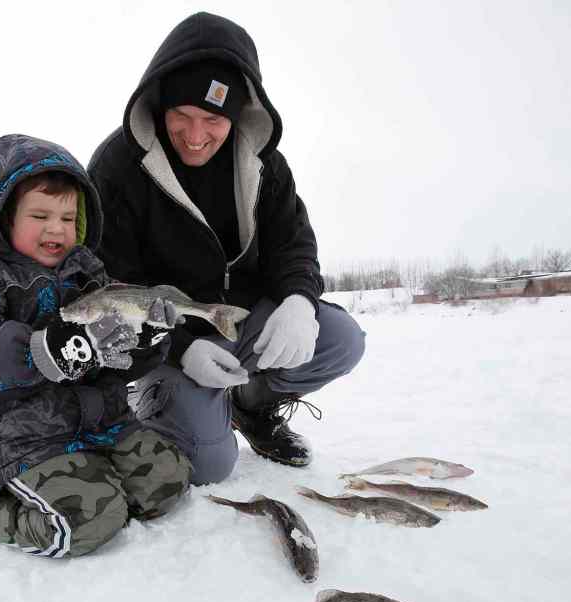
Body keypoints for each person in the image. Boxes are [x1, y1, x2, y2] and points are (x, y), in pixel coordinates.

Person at [88, 12, 366, 484]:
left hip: (242, 324)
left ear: (236, 114)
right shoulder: (117, 167)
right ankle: (155, 403)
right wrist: (181, 348)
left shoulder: (265, 165)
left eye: (213, 119)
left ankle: (252, 409)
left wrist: (298, 300)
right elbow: (112, 289)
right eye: (182, 116)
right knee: (209, 466)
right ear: (159, 106)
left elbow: (292, 243)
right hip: (168, 340)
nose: (196, 137)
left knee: (341, 339)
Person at [0, 134, 191, 558]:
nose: (56, 228)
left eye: (69, 219)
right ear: (4, 218)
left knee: (168, 480)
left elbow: (120, 362)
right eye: (40, 215)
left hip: (103, 424)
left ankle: (94, 474)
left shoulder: (94, 279)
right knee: (87, 522)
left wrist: (147, 340)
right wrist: (44, 350)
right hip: (23, 438)